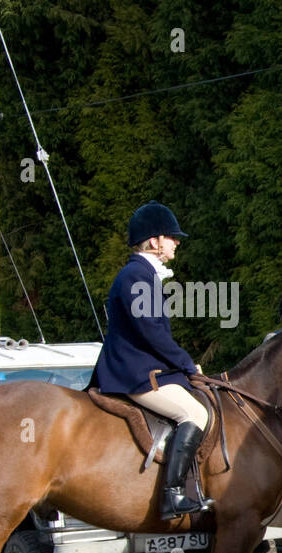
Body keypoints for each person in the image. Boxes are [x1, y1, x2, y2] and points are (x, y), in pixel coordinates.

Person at [92, 200, 210, 520]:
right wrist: (186, 364)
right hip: (134, 372)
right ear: (155, 241)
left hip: (145, 367)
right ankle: (172, 497)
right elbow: (152, 334)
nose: (177, 242)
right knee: (195, 414)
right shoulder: (136, 275)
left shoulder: (145, 275)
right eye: (172, 237)